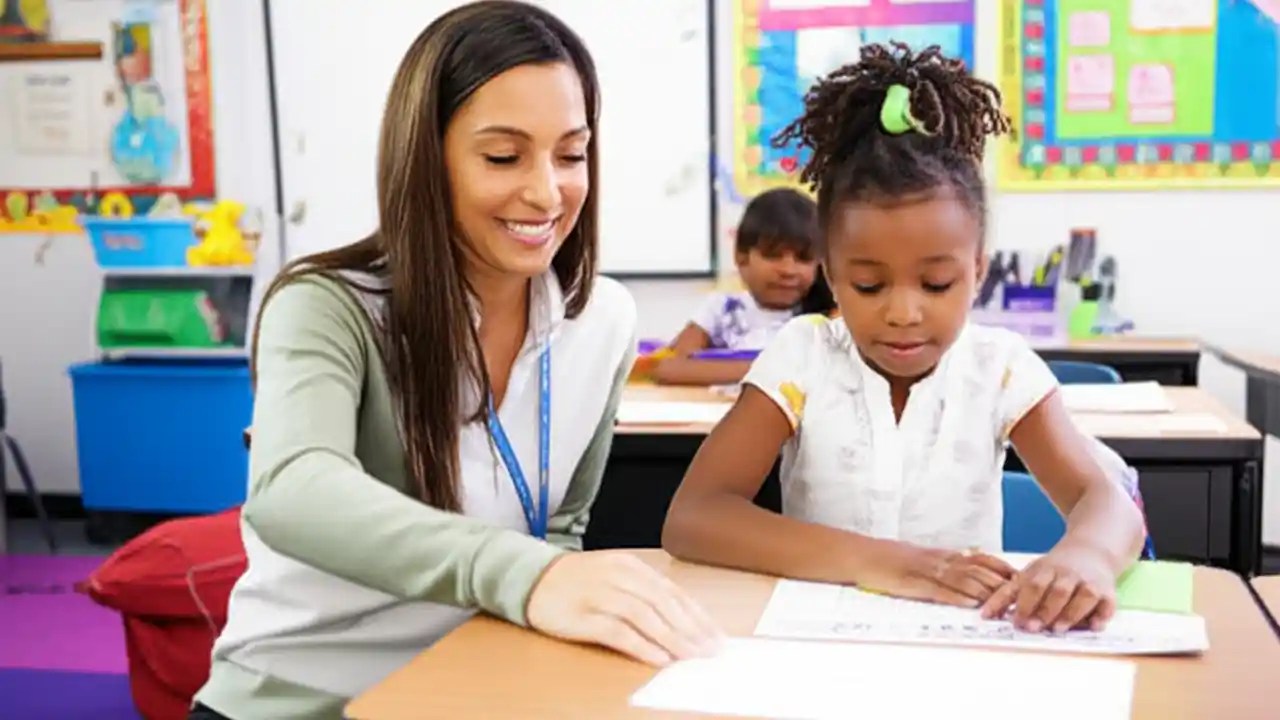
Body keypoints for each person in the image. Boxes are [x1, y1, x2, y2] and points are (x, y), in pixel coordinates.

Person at [189, 3, 720, 718]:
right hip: (300, 696)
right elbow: (293, 489)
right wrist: (525, 576)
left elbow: (560, 530)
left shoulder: (604, 320)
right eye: (503, 157)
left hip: (477, 684)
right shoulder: (327, 305)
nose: (546, 192)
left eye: (571, 154)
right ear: (425, 159)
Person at [662, 43, 1146, 635]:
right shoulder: (802, 357)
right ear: (831, 276)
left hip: (965, 645)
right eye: (868, 285)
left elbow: (1109, 503)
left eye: (937, 283)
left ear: (978, 272)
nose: (903, 313)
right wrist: (883, 562)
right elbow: (695, 516)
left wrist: (1087, 556)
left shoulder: (999, 367)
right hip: (819, 644)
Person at [652, 188, 834, 386]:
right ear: (742, 257)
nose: (788, 270)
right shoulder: (722, 309)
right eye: (773, 255)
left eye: (803, 258)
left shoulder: (825, 322)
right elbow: (670, 368)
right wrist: (770, 371)